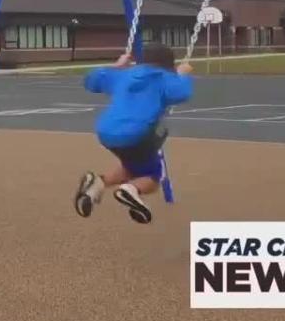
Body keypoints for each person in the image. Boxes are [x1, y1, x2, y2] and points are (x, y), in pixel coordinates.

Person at [73, 44, 194, 224]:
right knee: (153, 176)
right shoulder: (164, 78)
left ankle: (97, 183)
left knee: (132, 166)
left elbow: (91, 80)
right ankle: (130, 190)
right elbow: (182, 93)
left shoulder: (124, 75)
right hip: (137, 134)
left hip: (106, 132)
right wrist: (182, 74)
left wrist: (116, 66)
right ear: (169, 64)